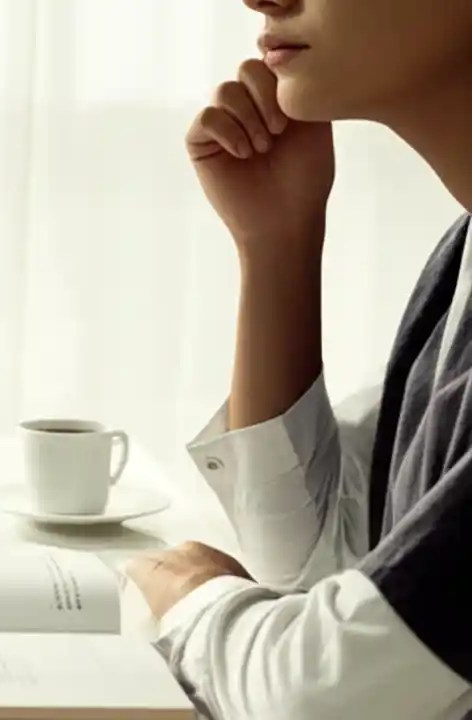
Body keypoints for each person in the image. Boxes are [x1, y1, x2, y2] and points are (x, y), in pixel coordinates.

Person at [123, 0, 472, 717]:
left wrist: (193, 596)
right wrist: (276, 243)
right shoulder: (462, 258)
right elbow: (327, 574)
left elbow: (322, 697)